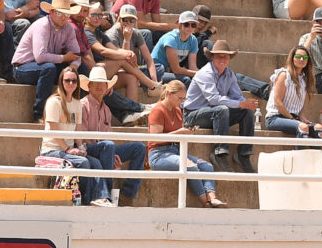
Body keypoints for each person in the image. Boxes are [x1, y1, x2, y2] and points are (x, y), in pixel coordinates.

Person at [38, 68, 113, 205]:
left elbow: (78, 131)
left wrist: (81, 147)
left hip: (69, 148)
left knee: (95, 162)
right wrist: (68, 149)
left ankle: (99, 198)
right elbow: (53, 131)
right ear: (61, 82)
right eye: (67, 80)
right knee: (84, 163)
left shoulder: (76, 103)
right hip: (52, 150)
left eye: (74, 80)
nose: (71, 83)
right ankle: (87, 198)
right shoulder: (54, 102)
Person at [77, 64, 147, 205]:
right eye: (95, 84)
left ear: (107, 87)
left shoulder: (107, 110)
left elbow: (107, 138)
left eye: (102, 84)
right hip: (87, 149)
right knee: (108, 146)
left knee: (139, 148)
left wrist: (112, 153)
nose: (99, 87)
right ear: (89, 86)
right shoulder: (82, 105)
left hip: (105, 148)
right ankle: (106, 195)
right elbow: (81, 138)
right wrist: (108, 149)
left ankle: (128, 195)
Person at [182, 41, 257, 173]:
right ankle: (220, 154)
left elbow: (237, 96)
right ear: (212, 57)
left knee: (247, 112)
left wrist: (247, 104)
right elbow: (214, 99)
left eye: (225, 56)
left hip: (213, 114)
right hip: (191, 116)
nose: (222, 59)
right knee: (221, 109)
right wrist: (241, 103)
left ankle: (244, 154)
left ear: (229, 59)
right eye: (218, 56)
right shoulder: (205, 73)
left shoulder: (230, 74)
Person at [147, 79, 223, 207]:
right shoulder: (158, 110)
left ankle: (212, 197)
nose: (182, 102)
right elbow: (155, 139)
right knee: (190, 166)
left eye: (184, 99)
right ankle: (206, 202)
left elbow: (177, 134)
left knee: (207, 166)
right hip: (158, 154)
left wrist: (186, 133)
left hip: (175, 150)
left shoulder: (177, 111)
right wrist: (179, 133)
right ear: (169, 94)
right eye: (180, 98)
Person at [10, 0, 82, 120]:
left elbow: (76, 55)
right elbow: (40, 57)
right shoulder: (42, 25)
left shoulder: (68, 28)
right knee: (49, 68)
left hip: (47, 66)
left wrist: (73, 67)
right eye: (60, 13)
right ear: (51, 12)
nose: (63, 18)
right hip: (22, 68)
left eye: (66, 14)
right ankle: (39, 115)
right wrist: (64, 59)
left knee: (80, 71)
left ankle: (78, 114)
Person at [264, 44, 322, 139]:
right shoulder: (284, 75)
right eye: (298, 56)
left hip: (294, 118)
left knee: (319, 129)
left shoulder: (304, 79)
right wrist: (293, 119)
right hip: (275, 118)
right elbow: (278, 102)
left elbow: (301, 104)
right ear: (292, 58)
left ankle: (315, 154)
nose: (301, 59)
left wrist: (302, 118)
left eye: (305, 57)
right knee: (303, 127)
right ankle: (299, 153)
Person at [105, 3, 159, 102]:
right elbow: (123, 61)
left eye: (132, 20)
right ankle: (149, 85)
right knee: (133, 76)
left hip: (131, 68)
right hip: (114, 72)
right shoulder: (112, 34)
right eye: (125, 19)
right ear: (119, 20)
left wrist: (154, 80)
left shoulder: (136, 33)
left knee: (159, 68)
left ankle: (151, 86)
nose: (128, 23)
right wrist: (126, 39)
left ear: (135, 21)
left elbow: (148, 59)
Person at [150, 10, 201, 84]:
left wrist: (203, 75)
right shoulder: (171, 39)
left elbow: (192, 67)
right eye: (186, 24)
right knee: (185, 80)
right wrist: (200, 74)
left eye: (193, 25)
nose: (190, 27)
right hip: (156, 71)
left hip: (168, 71)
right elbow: (176, 69)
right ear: (180, 25)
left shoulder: (193, 40)